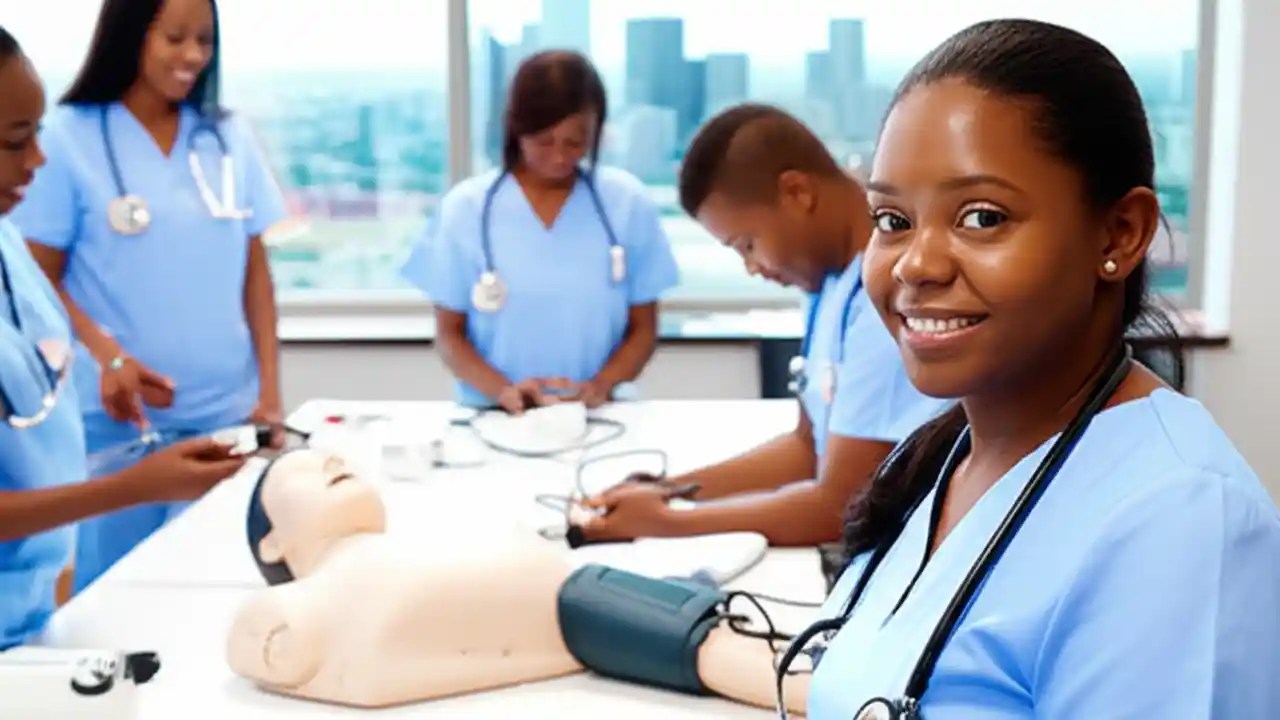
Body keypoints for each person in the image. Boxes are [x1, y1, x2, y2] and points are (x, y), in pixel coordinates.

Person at [791, 19, 1280, 719]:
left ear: (1120, 234)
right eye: (892, 219)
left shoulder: (1181, 524)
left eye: (982, 217)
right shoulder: (943, 461)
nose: (917, 264)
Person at [577, 105, 950, 545]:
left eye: (748, 245)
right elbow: (805, 449)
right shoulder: (830, 285)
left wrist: (669, 524)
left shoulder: (886, 298)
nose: (752, 268)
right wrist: (669, 491)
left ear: (796, 192)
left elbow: (841, 505)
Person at [10, 0, 287, 593]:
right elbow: (37, 279)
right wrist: (108, 354)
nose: (192, 56)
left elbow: (255, 273)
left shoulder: (226, 136)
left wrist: (268, 394)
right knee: (115, 599)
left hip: (223, 414)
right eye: (176, 37)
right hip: (120, 424)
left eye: (205, 41)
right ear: (131, 35)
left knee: (215, 594)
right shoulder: (64, 138)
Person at [404, 50, 679, 413]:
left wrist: (602, 386)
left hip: (602, 414)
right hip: (494, 416)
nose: (560, 157)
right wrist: (505, 392)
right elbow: (450, 335)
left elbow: (643, 329)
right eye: (544, 141)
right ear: (517, 128)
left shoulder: (626, 204)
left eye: (575, 142)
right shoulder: (465, 209)